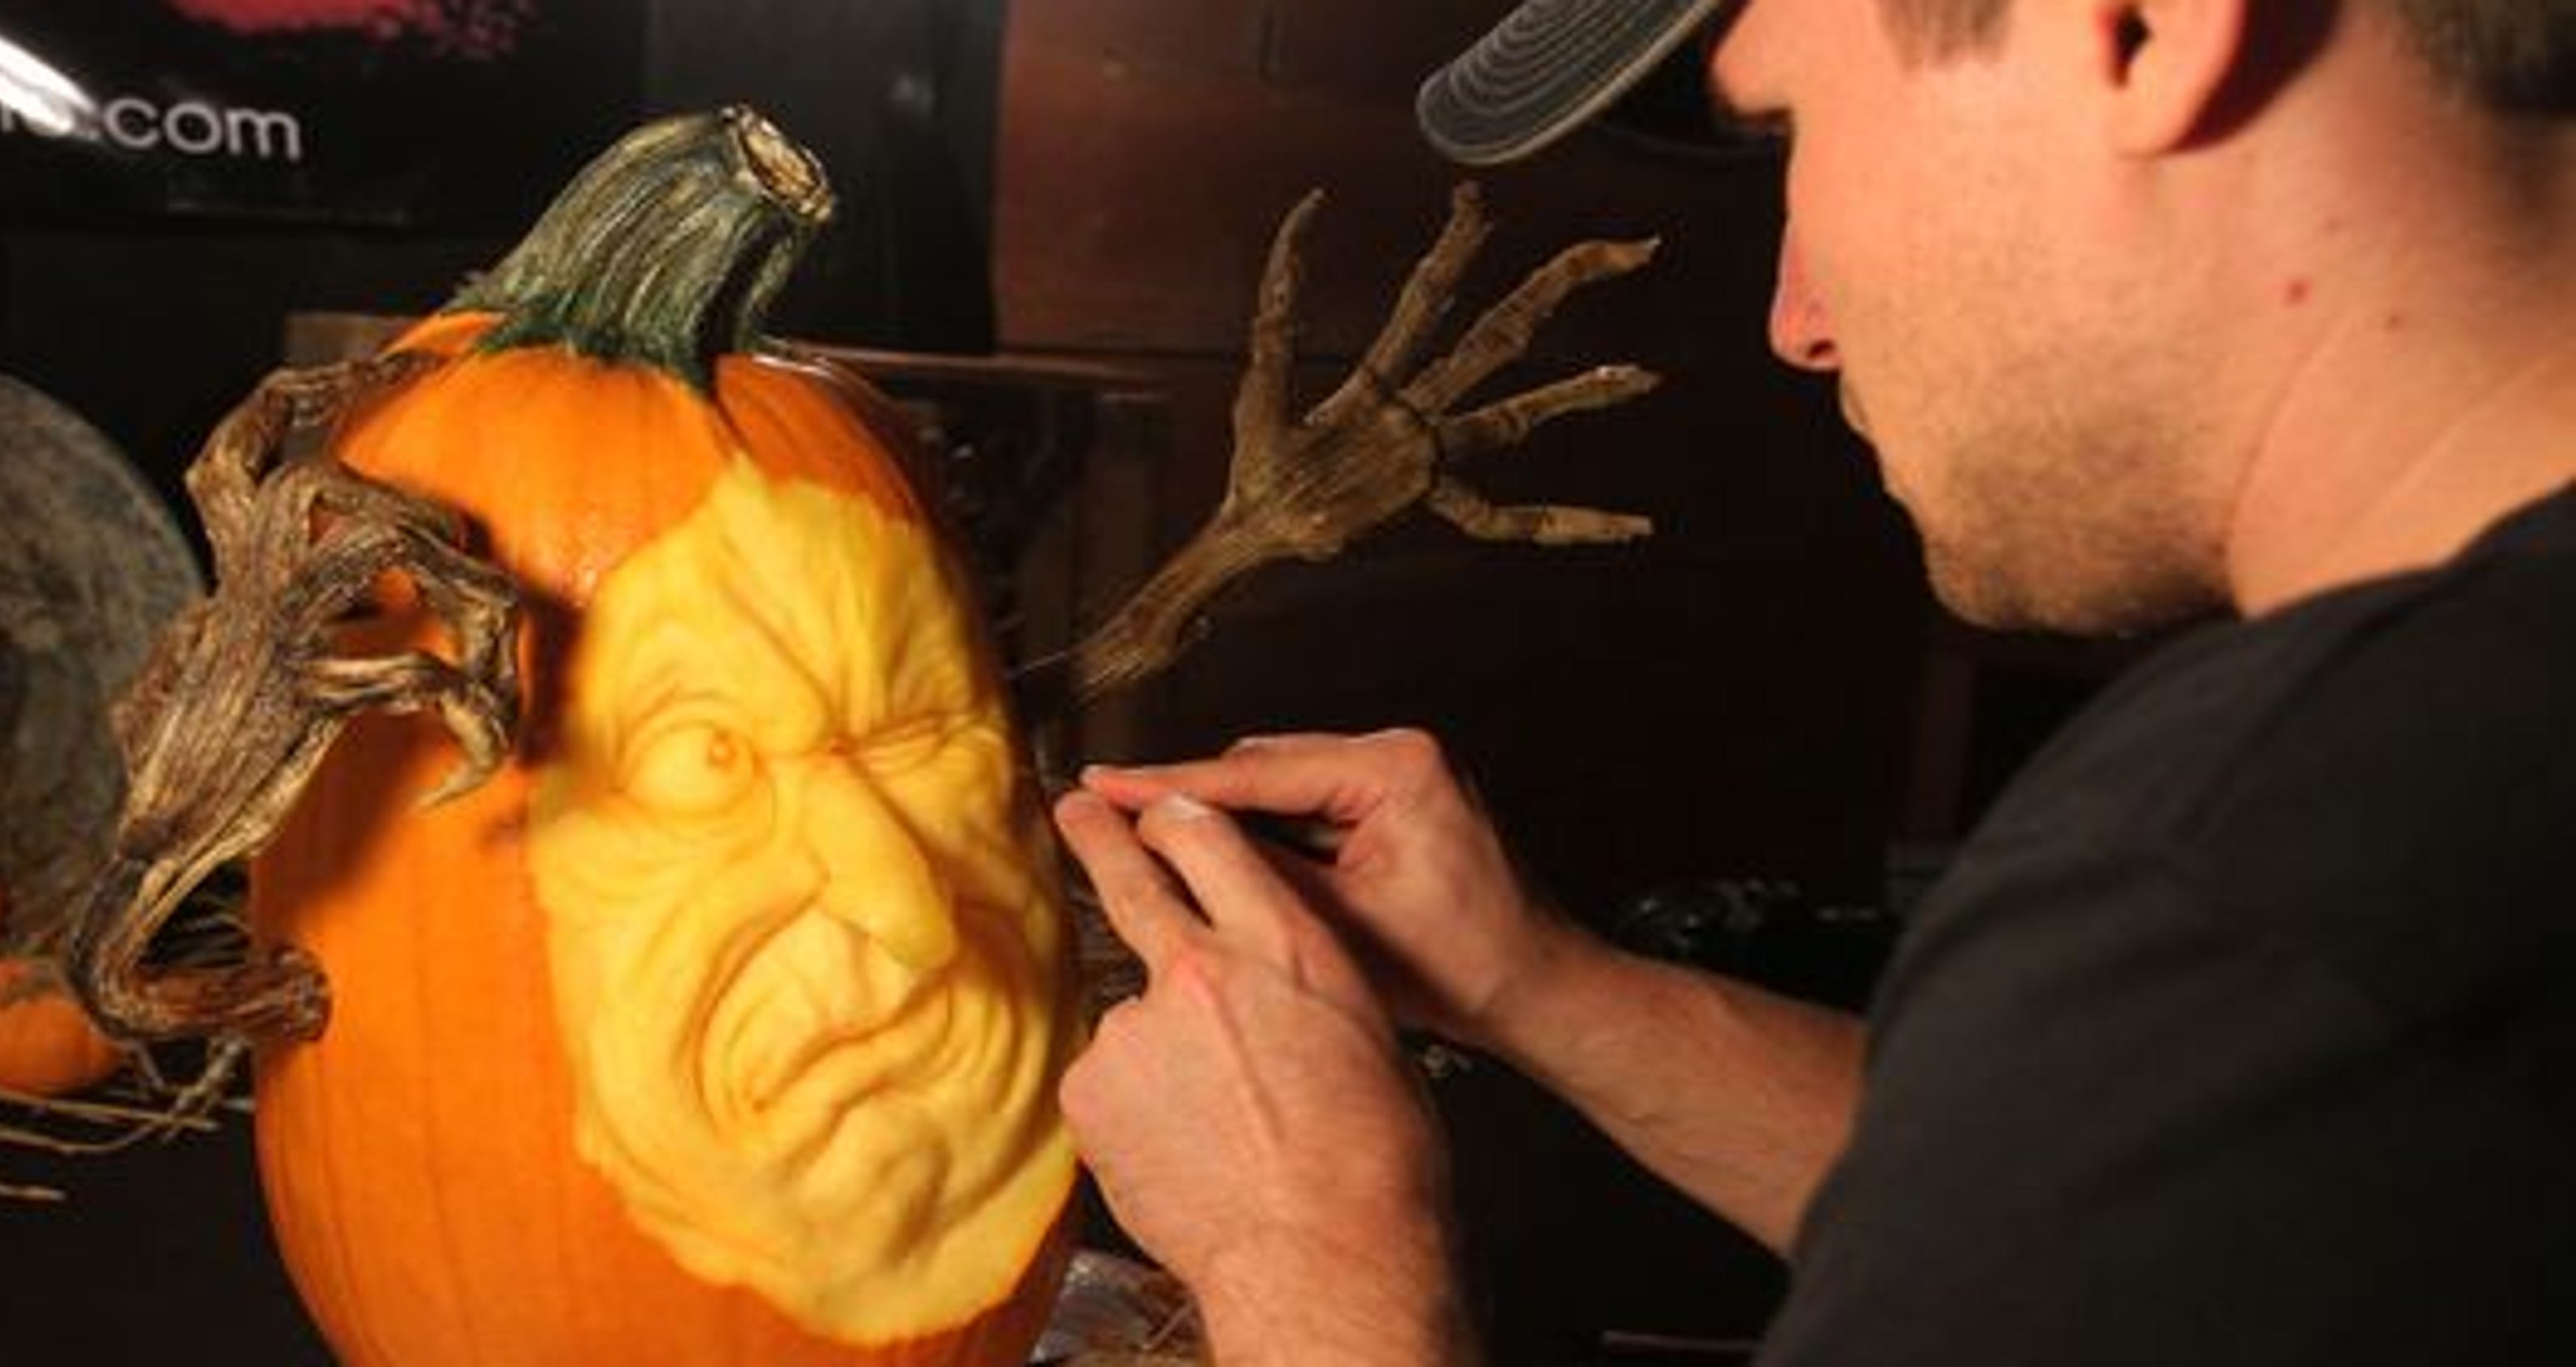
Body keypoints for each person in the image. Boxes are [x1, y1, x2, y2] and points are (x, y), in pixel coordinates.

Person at [1050, 0, 2576, 1361]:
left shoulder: (2263, 879)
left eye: (1791, 125)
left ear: (2143, 28)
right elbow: (2126, 1227)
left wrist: (1311, 1264)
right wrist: (1534, 986)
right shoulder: (2376, 904)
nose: (1798, 320)